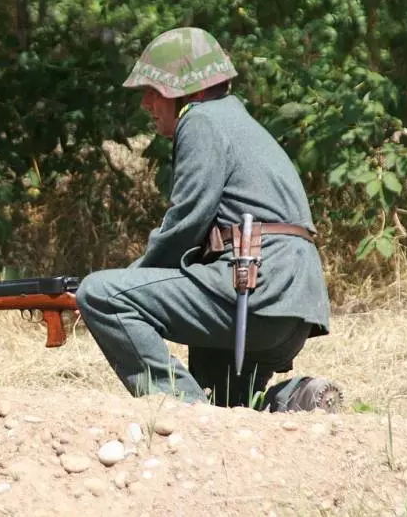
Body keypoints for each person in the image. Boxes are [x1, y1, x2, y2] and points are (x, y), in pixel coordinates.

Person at [74, 27, 342, 412]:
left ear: (193, 93)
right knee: (227, 409)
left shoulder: (201, 119)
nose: (146, 103)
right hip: (292, 303)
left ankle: (184, 414)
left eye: (156, 91)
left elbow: (186, 221)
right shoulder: (238, 121)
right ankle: (296, 397)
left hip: (256, 290)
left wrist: (128, 283)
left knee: (100, 294)